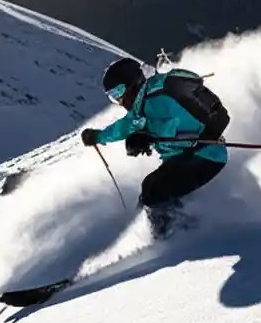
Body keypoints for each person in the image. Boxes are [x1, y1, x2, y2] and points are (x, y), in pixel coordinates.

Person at [81, 57, 229, 236]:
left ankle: (181, 236)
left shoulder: (159, 97)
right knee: (150, 191)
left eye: (119, 92)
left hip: (205, 155)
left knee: (154, 190)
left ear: (133, 83)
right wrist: (98, 136)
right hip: (185, 158)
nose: (119, 100)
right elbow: (125, 126)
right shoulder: (142, 104)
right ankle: (162, 232)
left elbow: (178, 122)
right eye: (113, 97)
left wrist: (148, 136)